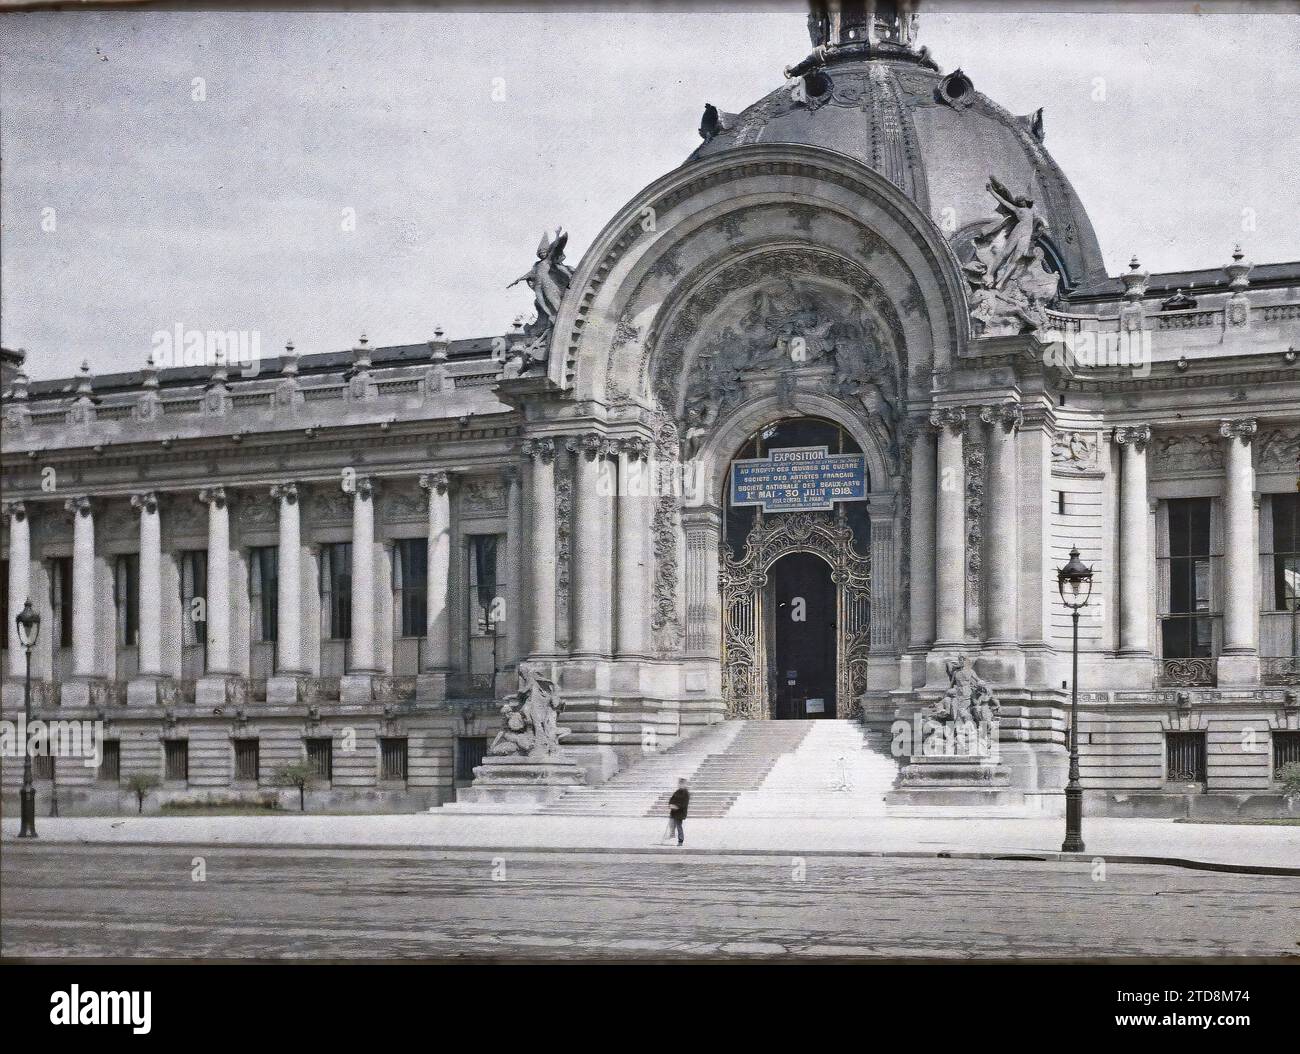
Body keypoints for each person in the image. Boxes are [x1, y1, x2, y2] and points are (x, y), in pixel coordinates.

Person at [664, 778, 690, 846]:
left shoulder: (686, 793)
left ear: (684, 784)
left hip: (680, 813)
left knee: (679, 826)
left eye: (682, 784)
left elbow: (684, 804)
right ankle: (672, 834)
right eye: (679, 784)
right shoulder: (677, 791)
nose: (680, 785)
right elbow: (671, 799)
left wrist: (676, 806)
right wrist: (671, 805)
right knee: (671, 823)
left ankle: (680, 840)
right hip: (673, 812)